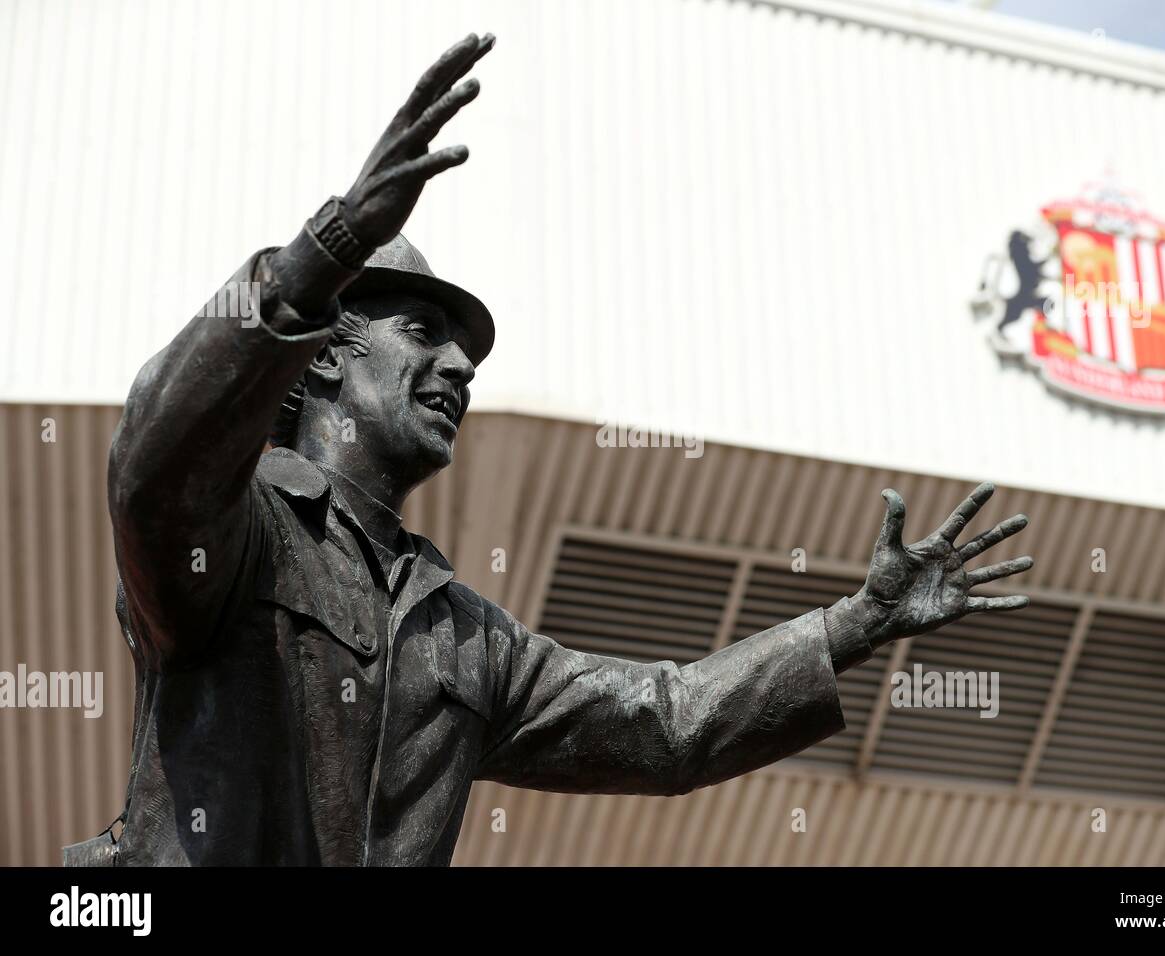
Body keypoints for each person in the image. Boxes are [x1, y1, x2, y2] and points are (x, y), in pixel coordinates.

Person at [70, 33, 1032, 866]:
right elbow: (155, 458)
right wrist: (324, 250)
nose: (459, 367)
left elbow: (666, 723)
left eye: (467, 353)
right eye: (422, 333)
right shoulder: (235, 538)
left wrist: (853, 625)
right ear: (323, 357)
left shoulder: (462, 633)